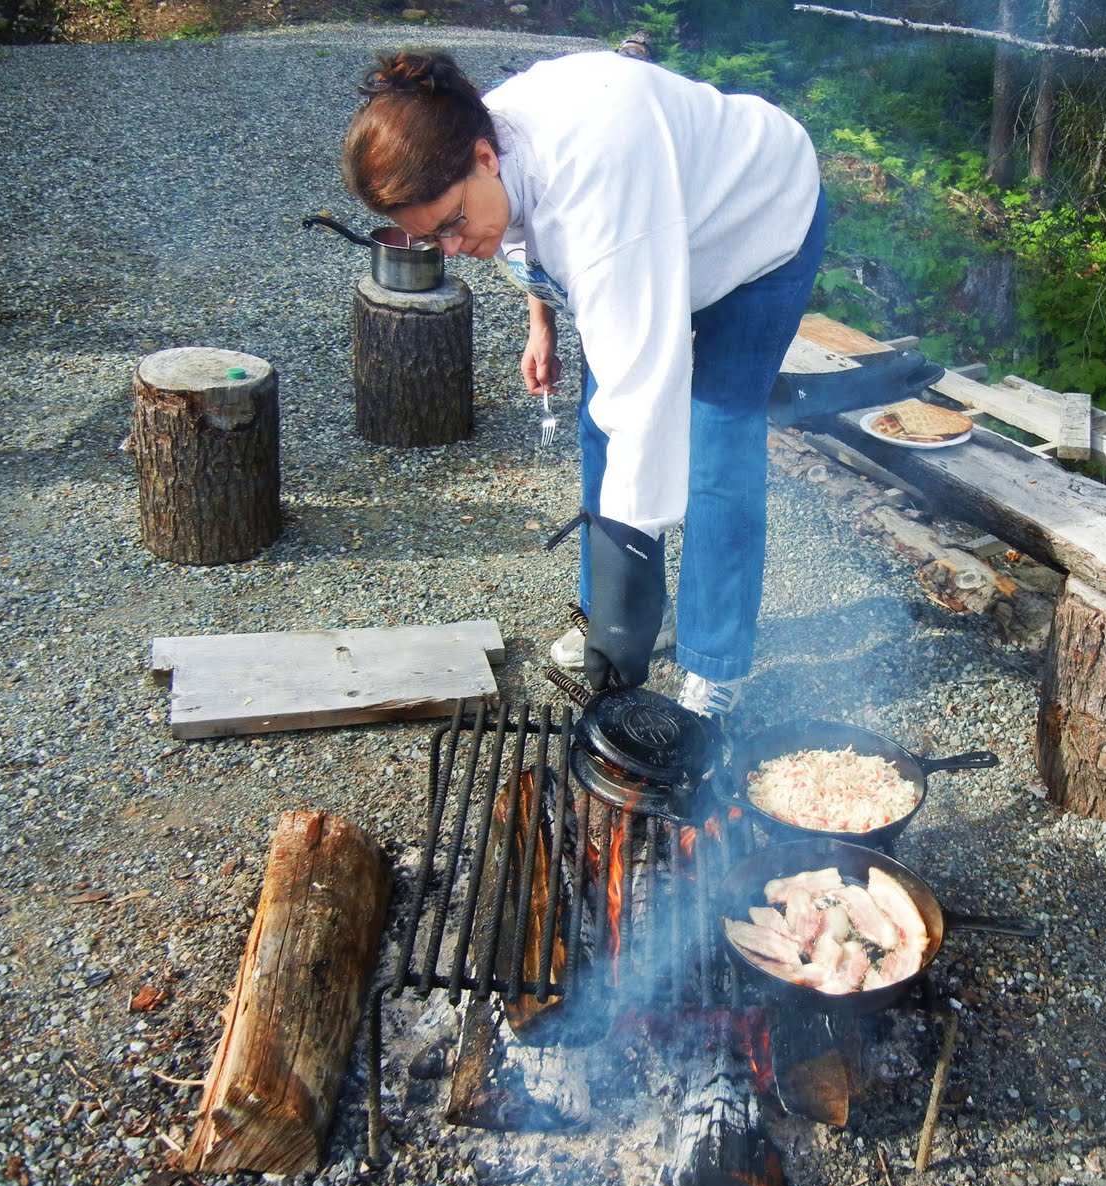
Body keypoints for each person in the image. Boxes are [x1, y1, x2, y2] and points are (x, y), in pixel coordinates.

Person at [343, 48, 825, 717]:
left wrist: (629, 581)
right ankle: (614, 613)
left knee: (716, 434)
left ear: (484, 158)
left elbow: (644, 393)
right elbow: (527, 239)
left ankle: (715, 662)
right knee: (599, 420)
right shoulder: (481, 141)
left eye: (452, 224)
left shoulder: (597, 174)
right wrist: (540, 323)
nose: (452, 248)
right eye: (432, 240)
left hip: (755, 227)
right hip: (650, 233)